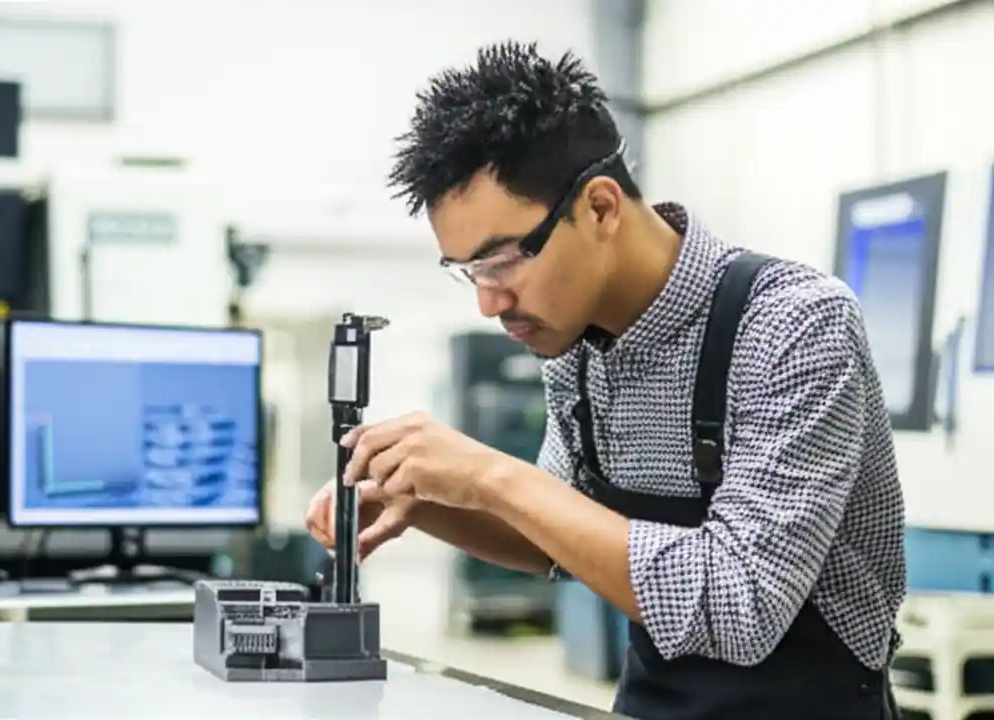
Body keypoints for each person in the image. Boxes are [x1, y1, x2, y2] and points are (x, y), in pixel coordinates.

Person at [305, 41, 905, 719]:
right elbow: (555, 537)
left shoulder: (792, 326)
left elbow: (740, 607)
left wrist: (487, 475)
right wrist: (420, 498)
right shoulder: (576, 346)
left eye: (501, 260)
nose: (488, 302)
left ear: (599, 207)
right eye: (467, 271)